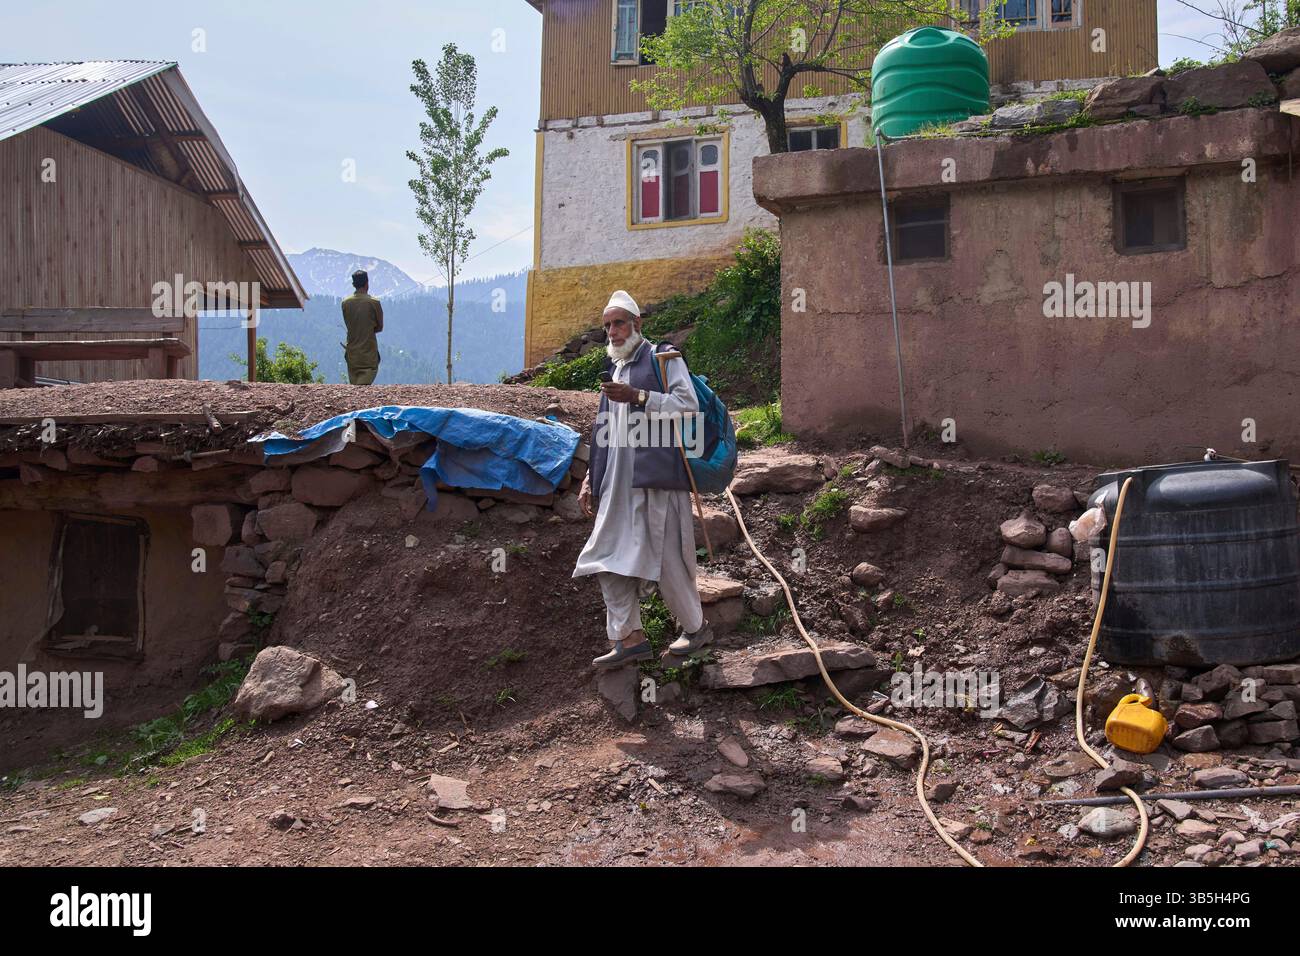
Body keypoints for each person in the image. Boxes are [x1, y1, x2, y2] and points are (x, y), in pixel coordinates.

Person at [573, 290, 713, 668]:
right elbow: (605, 428)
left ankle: (696, 629)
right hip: (617, 486)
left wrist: (639, 396)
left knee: (666, 559)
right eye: (607, 326)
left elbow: (688, 407)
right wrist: (590, 477)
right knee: (603, 558)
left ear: (637, 324)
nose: (613, 332)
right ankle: (630, 637)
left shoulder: (662, 358)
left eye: (619, 323)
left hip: (655, 480)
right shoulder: (616, 370)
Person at [341, 270, 383, 385]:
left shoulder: (345, 303)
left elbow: (349, 324)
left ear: (353, 284)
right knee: (361, 390)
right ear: (367, 283)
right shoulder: (374, 303)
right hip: (368, 355)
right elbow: (379, 327)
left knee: (354, 388)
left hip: (352, 354)